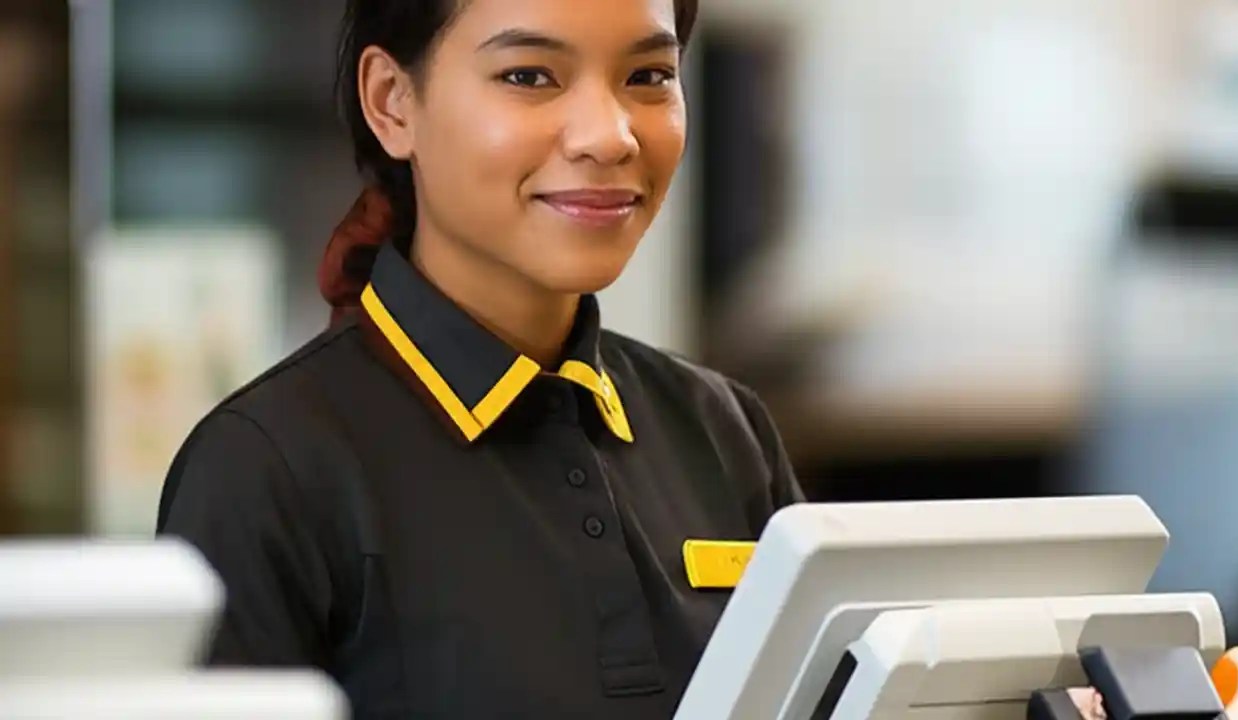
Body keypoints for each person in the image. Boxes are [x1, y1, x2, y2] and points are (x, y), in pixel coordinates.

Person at [156, 0, 803, 716]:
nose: (610, 136)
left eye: (649, 75)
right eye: (529, 75)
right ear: (392, 103)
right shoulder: (266, 466)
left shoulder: (724, 432)